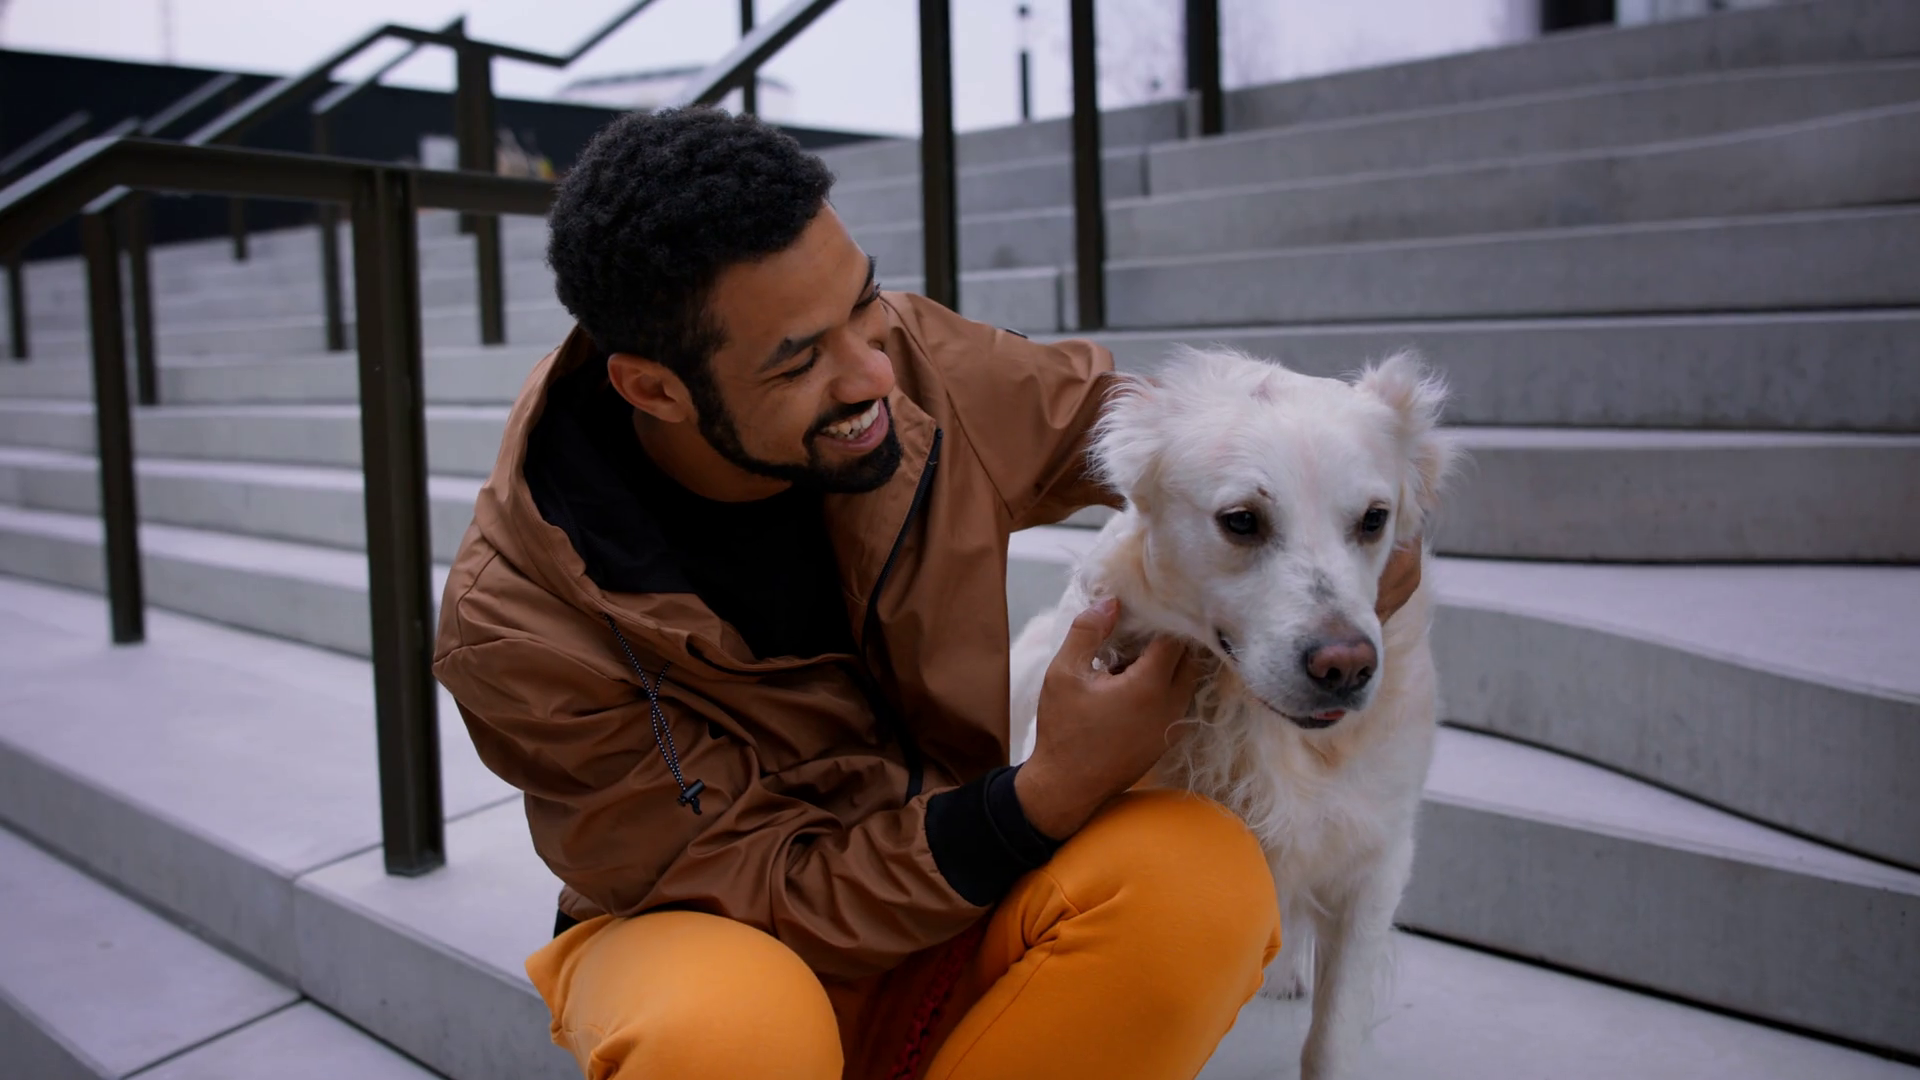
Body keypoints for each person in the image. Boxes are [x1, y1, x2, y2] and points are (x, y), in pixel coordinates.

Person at [433, 108, 1422, 1080]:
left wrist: (1350, 506)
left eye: (861, 303)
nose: (872, 371)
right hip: (713, 935)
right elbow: (743, 886)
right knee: (725, 1038)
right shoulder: (511, 624)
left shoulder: (916, 364)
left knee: (1201, 884)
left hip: (958, 896)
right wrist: (1043, 796)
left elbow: (1180, 432)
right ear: (654, 391)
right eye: (800, 358)